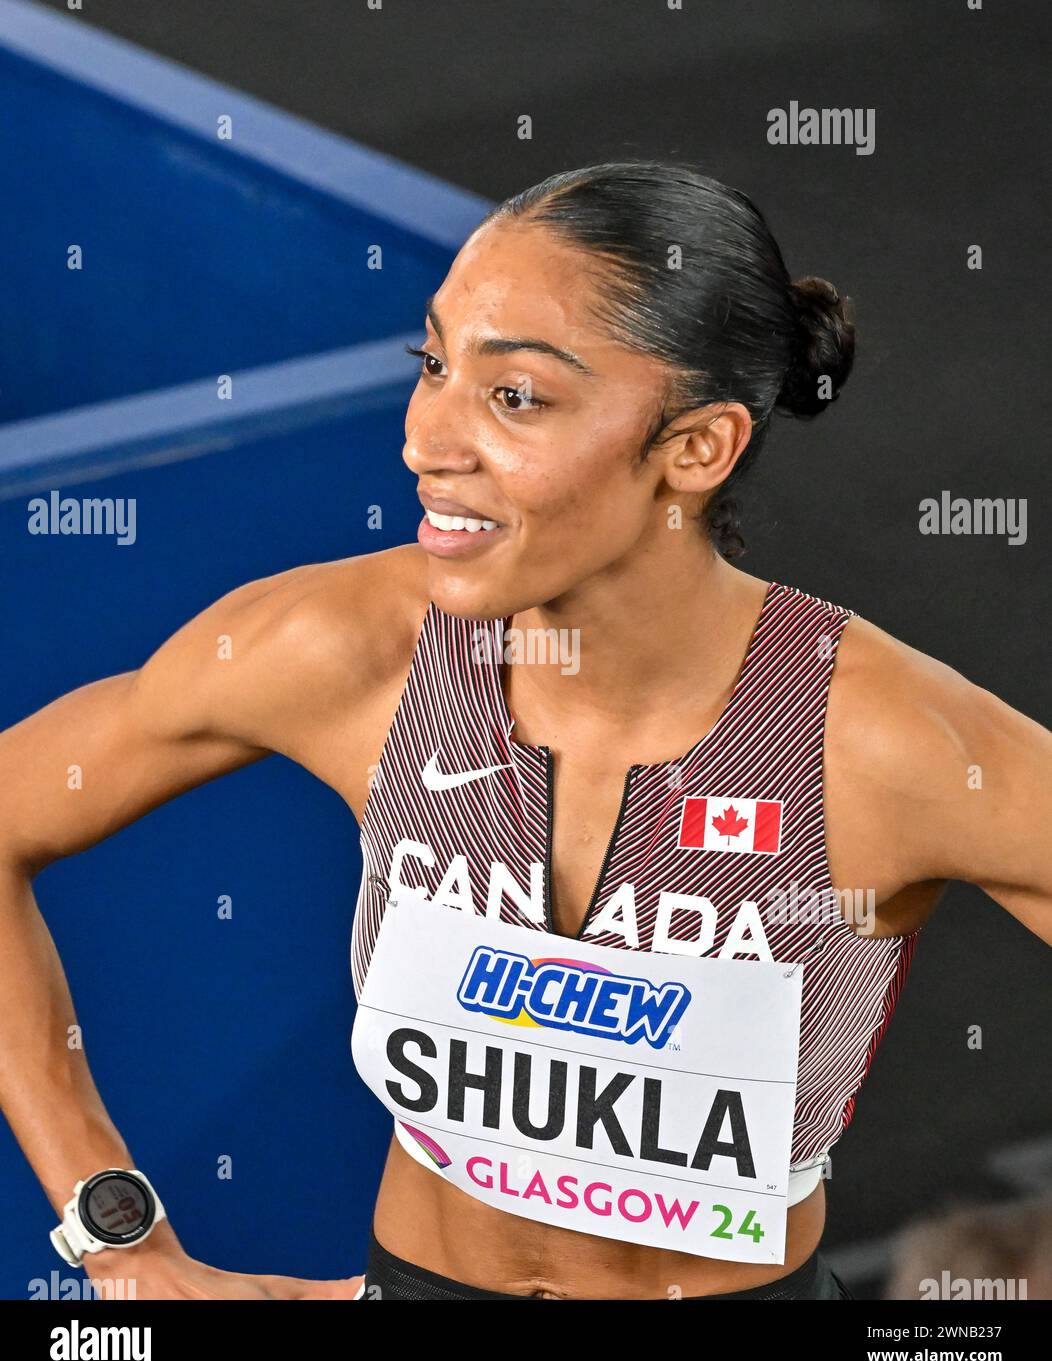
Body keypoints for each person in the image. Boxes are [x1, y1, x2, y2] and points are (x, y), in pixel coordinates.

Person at [1, 162, 1048, 1301]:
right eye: (434, 364)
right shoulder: (350, 652)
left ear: (694, 449)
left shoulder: (882, 741)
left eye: (515, 399)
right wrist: (116, 1234)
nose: (424, 440)